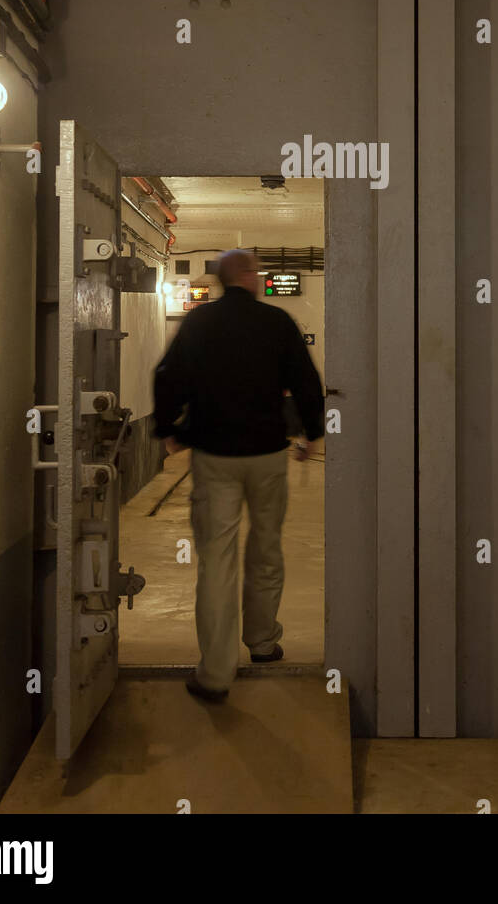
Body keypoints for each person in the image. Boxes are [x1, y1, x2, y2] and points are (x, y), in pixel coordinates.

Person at [153, 249, 325, 702]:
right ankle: (263, 643)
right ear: (248, 276)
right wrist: (313, 433)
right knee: (266, 548)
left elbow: (168, 375)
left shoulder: (199, 322)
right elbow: (307, 381)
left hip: (214, 458)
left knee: (216, 560)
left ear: (220, 280)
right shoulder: (278, 322)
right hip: (267, 456)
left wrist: (169, 430)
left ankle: (215, 674)